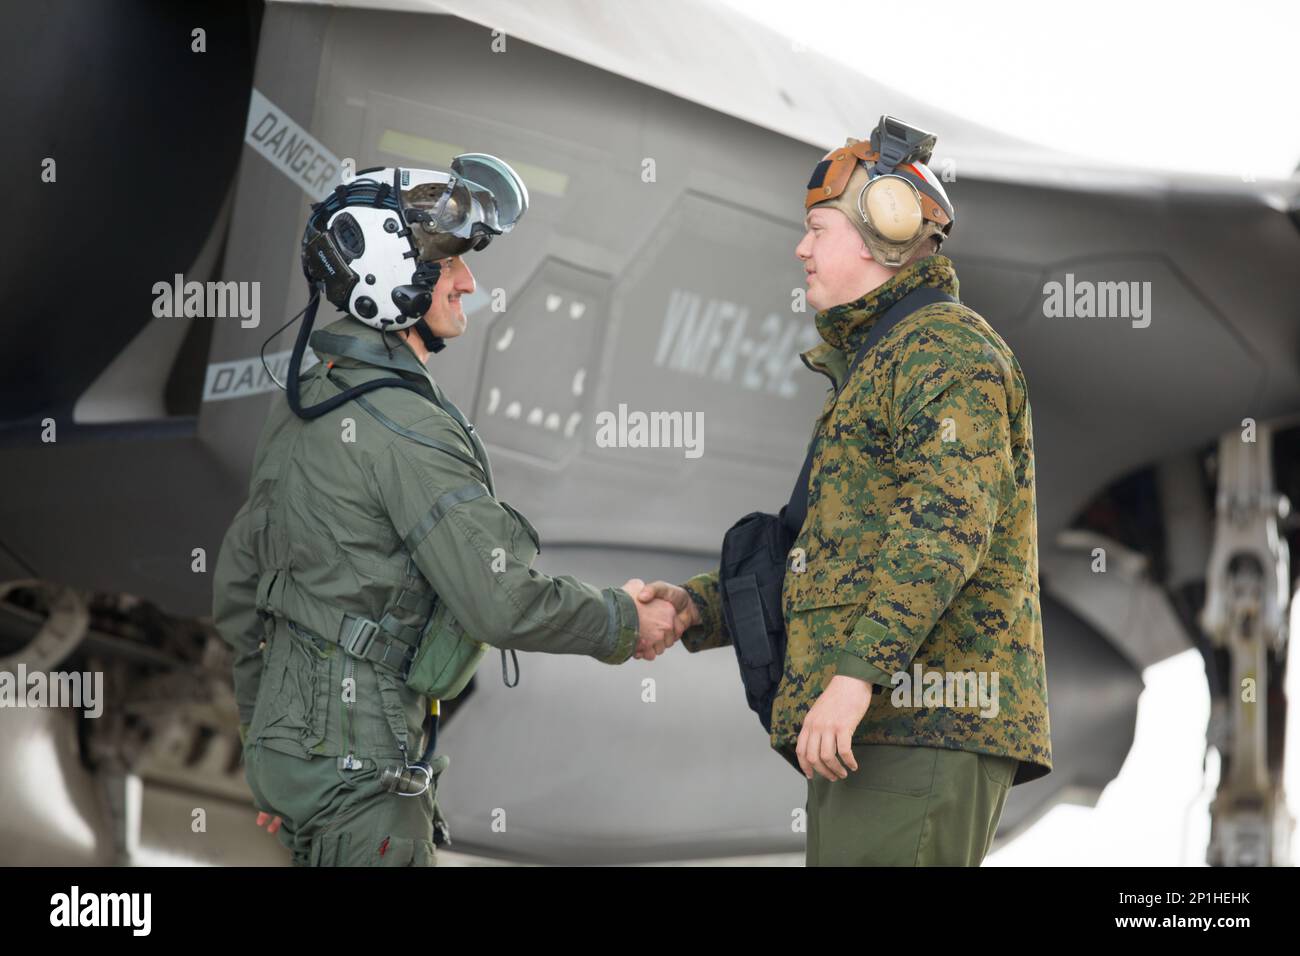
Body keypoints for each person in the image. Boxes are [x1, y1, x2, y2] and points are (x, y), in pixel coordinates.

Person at [213, 157, 681, 866]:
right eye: (451, 267)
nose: (470, 284)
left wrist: (273, 753)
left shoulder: (307, 400)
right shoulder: (409, 427)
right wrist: (623, 619)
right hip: (361, 765)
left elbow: (241, 593)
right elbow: (499, 600)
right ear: (389, 281)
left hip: (296, 756)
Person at [637, 116, 1052, 866]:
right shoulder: (881, 361)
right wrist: (696, 607)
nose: (800, 248)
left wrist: (856, 677)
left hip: (918, 721)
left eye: (817, 229)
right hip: (875, 727)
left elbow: (945, 528)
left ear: (882, 232)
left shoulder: (945, 351)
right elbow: (825, 554)